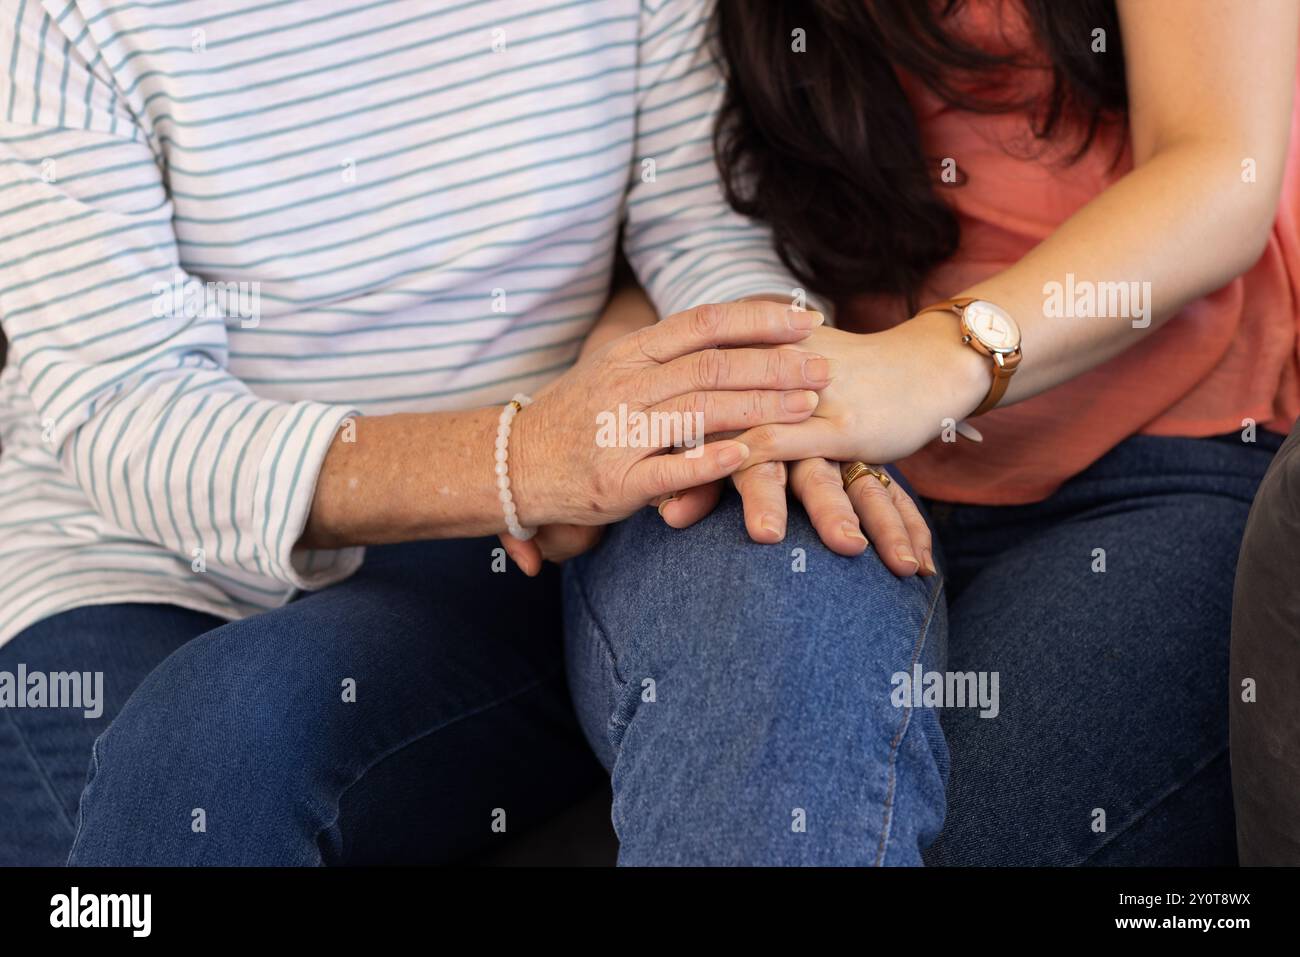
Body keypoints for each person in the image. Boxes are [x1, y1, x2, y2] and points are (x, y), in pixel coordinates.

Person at [0, 0, 935, 866]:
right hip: (132, 566)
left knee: (214, 745)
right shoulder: (64, 19)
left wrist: (772, 399)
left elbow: (701, 229)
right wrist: (516, 458)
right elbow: (128, 414)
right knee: (165, 808)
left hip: (506, 554)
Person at [614, 0, 1297, 864]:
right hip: (843, 450)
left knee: (937, 838)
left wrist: (937, 361)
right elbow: (676, 201)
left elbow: (1221, 167)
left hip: (1155, 447)